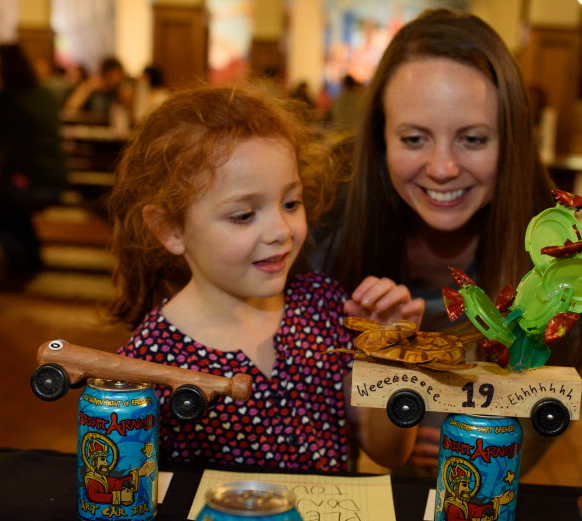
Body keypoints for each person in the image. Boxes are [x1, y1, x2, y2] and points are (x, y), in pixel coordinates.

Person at [319, 9, 582, 474]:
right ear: (381, 140)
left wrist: (477, 451)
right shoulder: (324, 226)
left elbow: (543, 416)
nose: (442, 168)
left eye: (472, 139)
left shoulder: (557, 262)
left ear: (511, 142)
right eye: (414, 139)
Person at [107, 83, 422, 470]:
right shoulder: (150, 360)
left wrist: (392, 359)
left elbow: (388, 452)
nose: (280, 230)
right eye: (243, 215)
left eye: (290, 203)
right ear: (169, 228)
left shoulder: (322, 305)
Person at [0, 43, 67, 287]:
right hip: (57, 177)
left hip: (30, 181)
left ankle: (17, 255)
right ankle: (28, 252)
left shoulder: (3, 99)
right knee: (1, 196)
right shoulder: (44, 94)